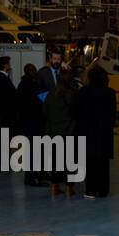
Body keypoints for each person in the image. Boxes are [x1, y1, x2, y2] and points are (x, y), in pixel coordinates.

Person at [76, 66, 116, 199]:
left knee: (89, 162)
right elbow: (113, 115)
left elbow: (76, 112)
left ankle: (91, 190)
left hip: (87, 132)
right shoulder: (110, 92)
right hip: (104, 132)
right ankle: (103, 190)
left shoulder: (83, 92)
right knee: (103, 162)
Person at [43, 67, 79, 197]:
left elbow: (45, 112)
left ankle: (55, 186)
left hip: (53, 131)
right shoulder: (71, 94)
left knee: (55, 160)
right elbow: (76, 113)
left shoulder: (50, 94)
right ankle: (69, 187)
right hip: (69, 131)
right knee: (70, 160)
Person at [16, 64, 43, 186]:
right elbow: (37, 101)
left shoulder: (21, 85)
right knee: (33, 148)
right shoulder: (32, 85)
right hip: (33, 120)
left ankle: (29, 175)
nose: (35, 72)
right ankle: (33, 176)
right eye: (33, 70)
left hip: (25, 121)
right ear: (30, 72)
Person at [0, 56, 17, 134]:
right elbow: (7, 94)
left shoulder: (4, 76)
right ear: (5, 65)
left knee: (7, 129)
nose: (10, 65)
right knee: (5, 130)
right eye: (8, 63)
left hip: (7, 109)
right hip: (6, 109)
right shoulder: (0, 77)